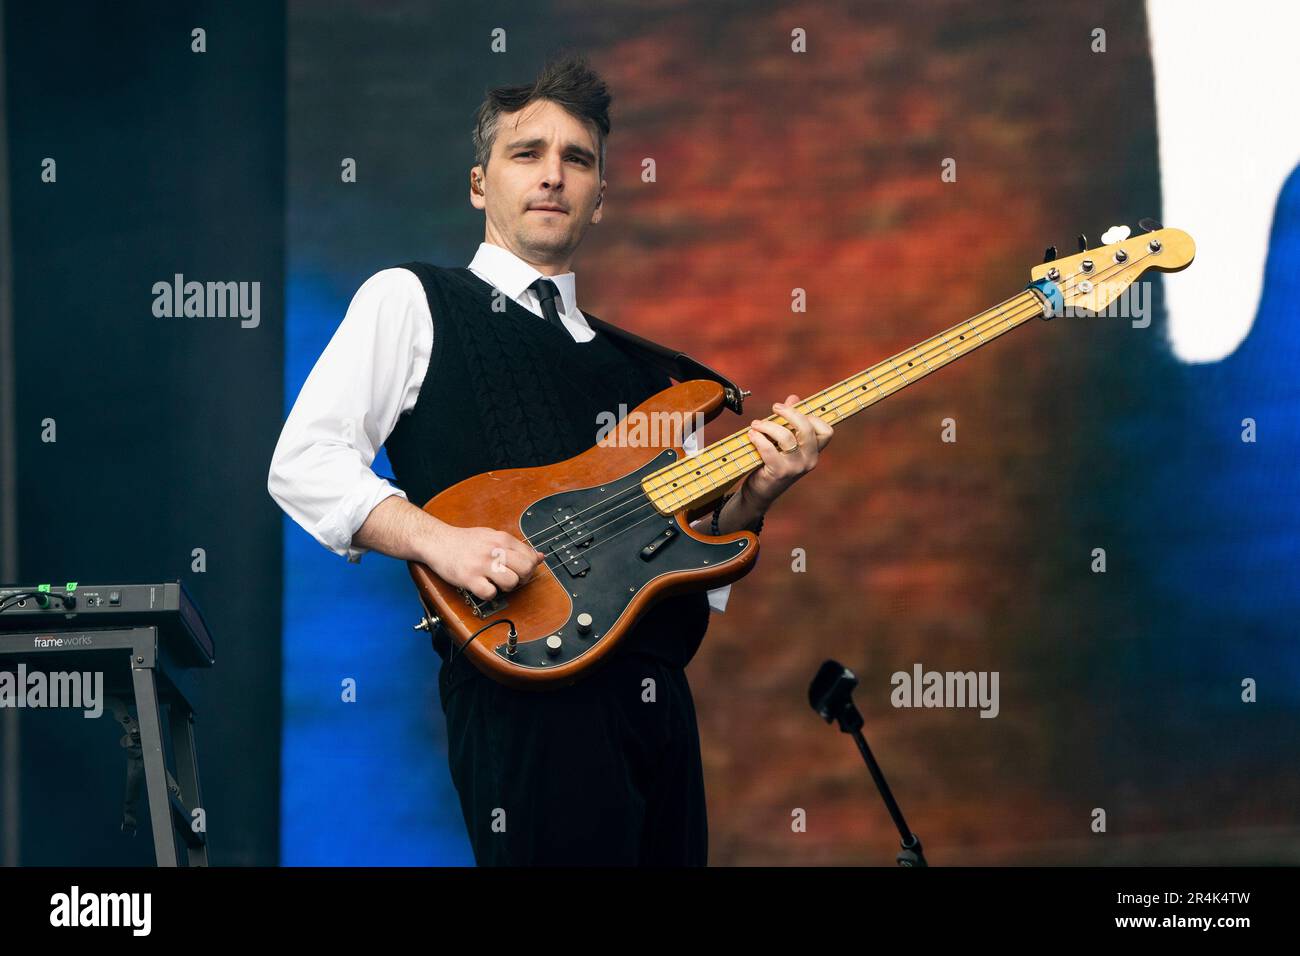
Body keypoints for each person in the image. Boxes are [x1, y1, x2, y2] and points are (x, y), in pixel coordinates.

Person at [268, 52, 833, 865]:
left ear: (600, 197)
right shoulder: (413, 298)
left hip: (656, 705)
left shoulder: (660, 380)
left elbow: (681, 573)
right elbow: (305, 459)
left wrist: (757, 498)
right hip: (523, 699)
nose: (552, 176)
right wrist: (438, 540)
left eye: (577, 159)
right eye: (526, 153)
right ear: (478, 184)